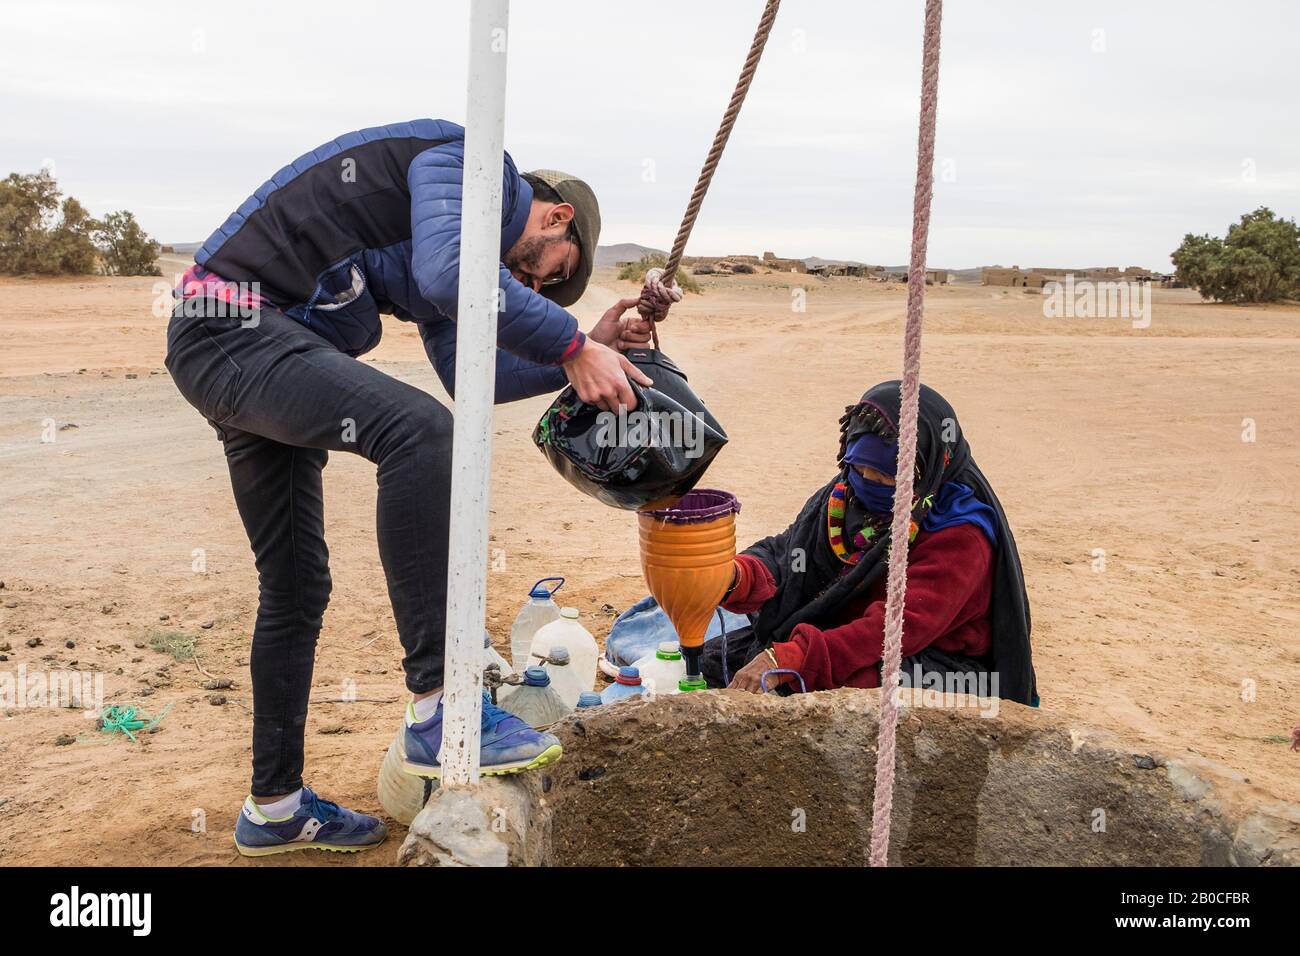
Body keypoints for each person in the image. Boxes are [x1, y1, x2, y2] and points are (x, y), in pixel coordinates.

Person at [164, 119, 655, 857]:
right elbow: (450, 275)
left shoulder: (435, 247)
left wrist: (584, 350)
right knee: (420, 434)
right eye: (552, 270)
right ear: (554, 214)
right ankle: (437, 707)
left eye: (545, 289)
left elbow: (473, 374)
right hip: (231, 329)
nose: (534, 286)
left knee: (297, 587)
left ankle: (274, 808)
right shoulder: (472, 161)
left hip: (261, 349)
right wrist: (571, 341)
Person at [705, 381, 1037, 705]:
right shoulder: (848, 489)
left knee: (821, 691)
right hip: (845, 630)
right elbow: (790, 552)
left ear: (923, 470)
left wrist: (792, 657)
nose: (868, 484)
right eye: (860, 470)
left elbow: (894, 626)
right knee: (717, 661)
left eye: (884, 478)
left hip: (930, 656)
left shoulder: (960, 535)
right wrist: (736, 576)